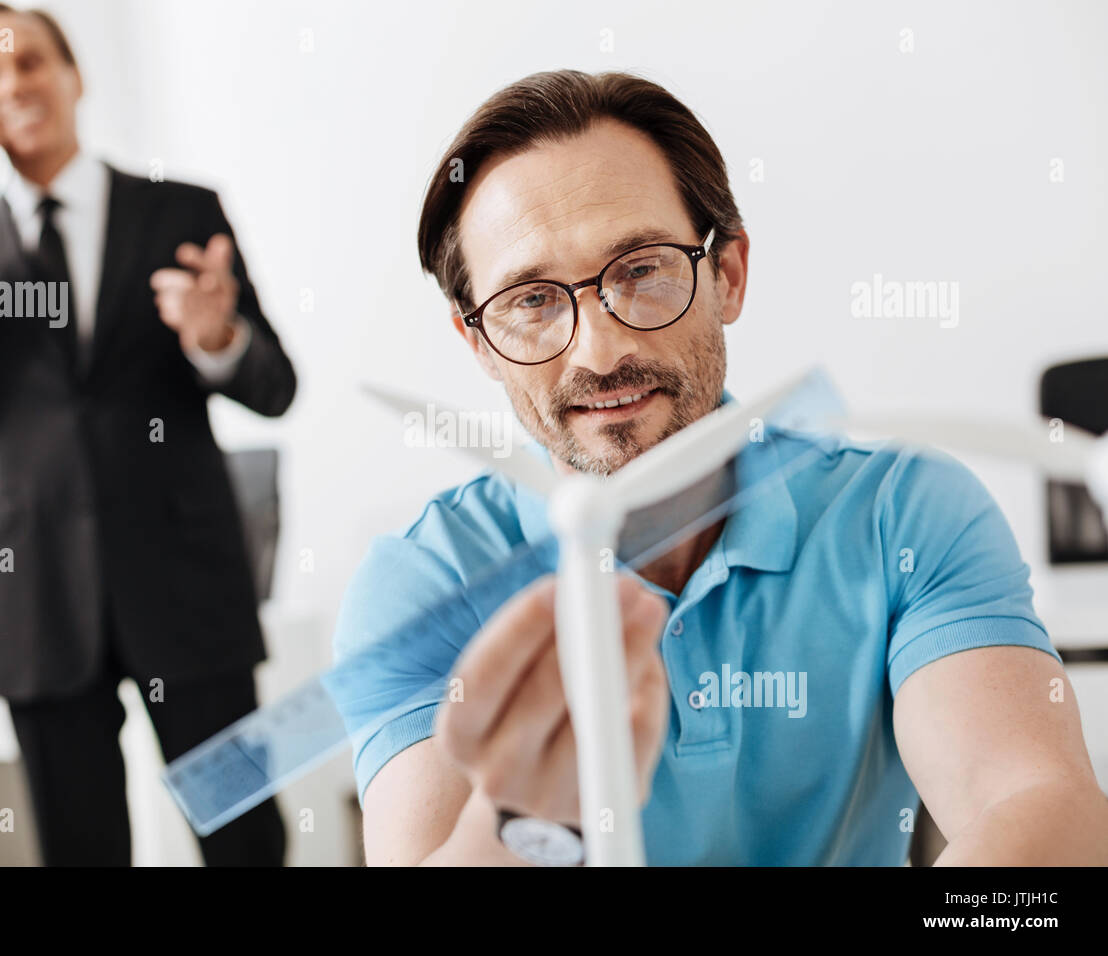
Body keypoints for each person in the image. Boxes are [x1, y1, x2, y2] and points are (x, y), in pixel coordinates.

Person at [331, 69, 1108, 865]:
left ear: (727, 274)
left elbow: (1035, 805)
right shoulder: (422, 586)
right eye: (531, 300)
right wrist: (527, 819)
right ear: (479, 345)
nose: (601, 351)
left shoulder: (902, 513)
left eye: (640, 269)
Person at [0, 3, 292, 866]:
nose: (14, 84)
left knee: (245, 843)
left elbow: (277, 386)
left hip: (186, 591)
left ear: (74, 76)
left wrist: (215, 339)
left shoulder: (182, 212)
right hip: (36, 599)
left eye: (31, 62)